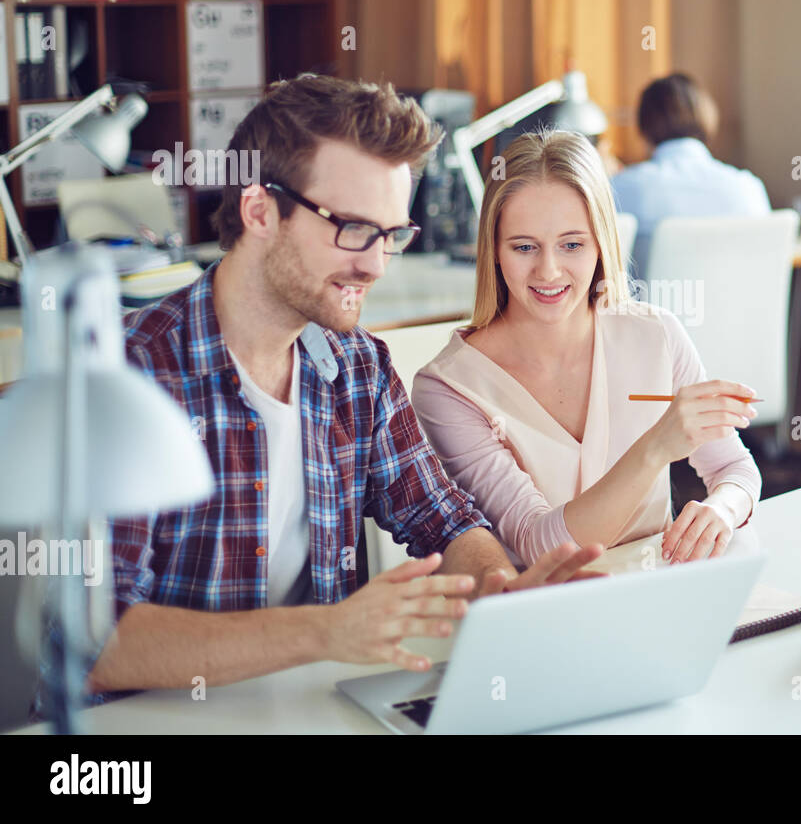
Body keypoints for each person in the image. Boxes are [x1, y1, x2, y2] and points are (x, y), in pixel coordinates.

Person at [83, 76, 601, 702]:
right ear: (260, 211)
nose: (377, 264)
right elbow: (99, 644)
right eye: (354, 228)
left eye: (392, 235)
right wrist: (328, 632)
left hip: (311, 708)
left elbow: (443, 517)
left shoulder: (357, 368)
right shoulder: (129, 378)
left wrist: (498, 585)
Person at [411, 129, 762, 568]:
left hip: (651, 600)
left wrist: (722, 511)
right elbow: (542, 547)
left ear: (601, 245)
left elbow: (735, 469)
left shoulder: (656, 335)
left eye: (572, 244)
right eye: (524, 247)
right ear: (494, 252)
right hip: (535, 619)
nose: (549, 270)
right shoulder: (448, 388)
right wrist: (654, 448)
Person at [611, 73, 771, 276]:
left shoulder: (621, 187)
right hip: (746, 308)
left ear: (644, 128)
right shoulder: (749, 187)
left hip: (656, 305)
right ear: (707, 117)